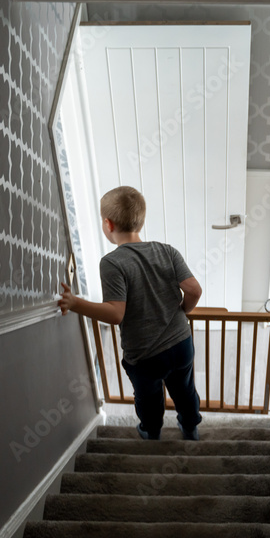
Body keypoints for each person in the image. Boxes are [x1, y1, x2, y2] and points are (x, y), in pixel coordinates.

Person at [57, 186, 203, 440]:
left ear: (108, 224)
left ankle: (152, 431)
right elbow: (194, 290)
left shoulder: (112, 263)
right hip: (181, 343)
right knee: (185, 390)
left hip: (145, 355)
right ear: (140, 220)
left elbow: (115, 314)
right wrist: (181, 312)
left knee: (148, 398)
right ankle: (190, 428)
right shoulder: (167, 251)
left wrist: (75, 303)